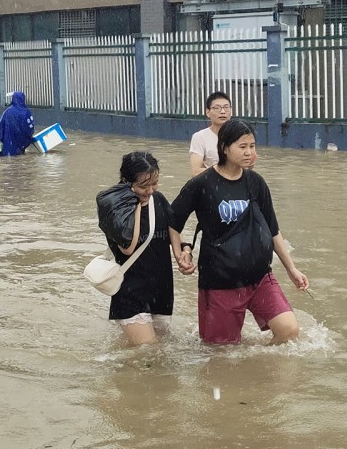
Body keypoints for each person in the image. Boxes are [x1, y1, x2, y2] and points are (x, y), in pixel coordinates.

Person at [170, 118, 309, 345]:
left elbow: (273, 229)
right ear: (224, 148)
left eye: (252, 146)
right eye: (242, 146)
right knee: (222, 351)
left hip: (260, 276)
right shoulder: (202, 184)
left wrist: (292, 269)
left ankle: (257, 366)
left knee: (289, 330)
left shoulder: (256, 182)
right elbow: (172, 221)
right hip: (220, 280)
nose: (249, 152)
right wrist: (182, 252)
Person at [96, 151, 192, 346]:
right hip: (130, 293)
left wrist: (184, 252)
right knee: (149, 351)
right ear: (126, 181)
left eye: (154, 183)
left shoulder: (159, 199)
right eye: (143, 186)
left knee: (160, 351)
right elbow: (128, 247)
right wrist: (138, 204)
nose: (150, 191)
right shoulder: (114, 208)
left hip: (161, 292)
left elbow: (173, 231)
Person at [189, 91, 233, 176]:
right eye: (217, 108)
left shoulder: (239, 135)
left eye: (226, 107)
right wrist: (225, 171)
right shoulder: (199, 137)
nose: (223, 111)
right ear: (208, 112)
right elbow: (195, 171)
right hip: (212, 182)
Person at [0, 90, 34, 156]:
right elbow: (30, 128)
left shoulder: (8, 111)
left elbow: (0, 124)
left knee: (9, 158)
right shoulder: (27, 112)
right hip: (21, 144)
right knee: (20, 158)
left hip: (9, 142)